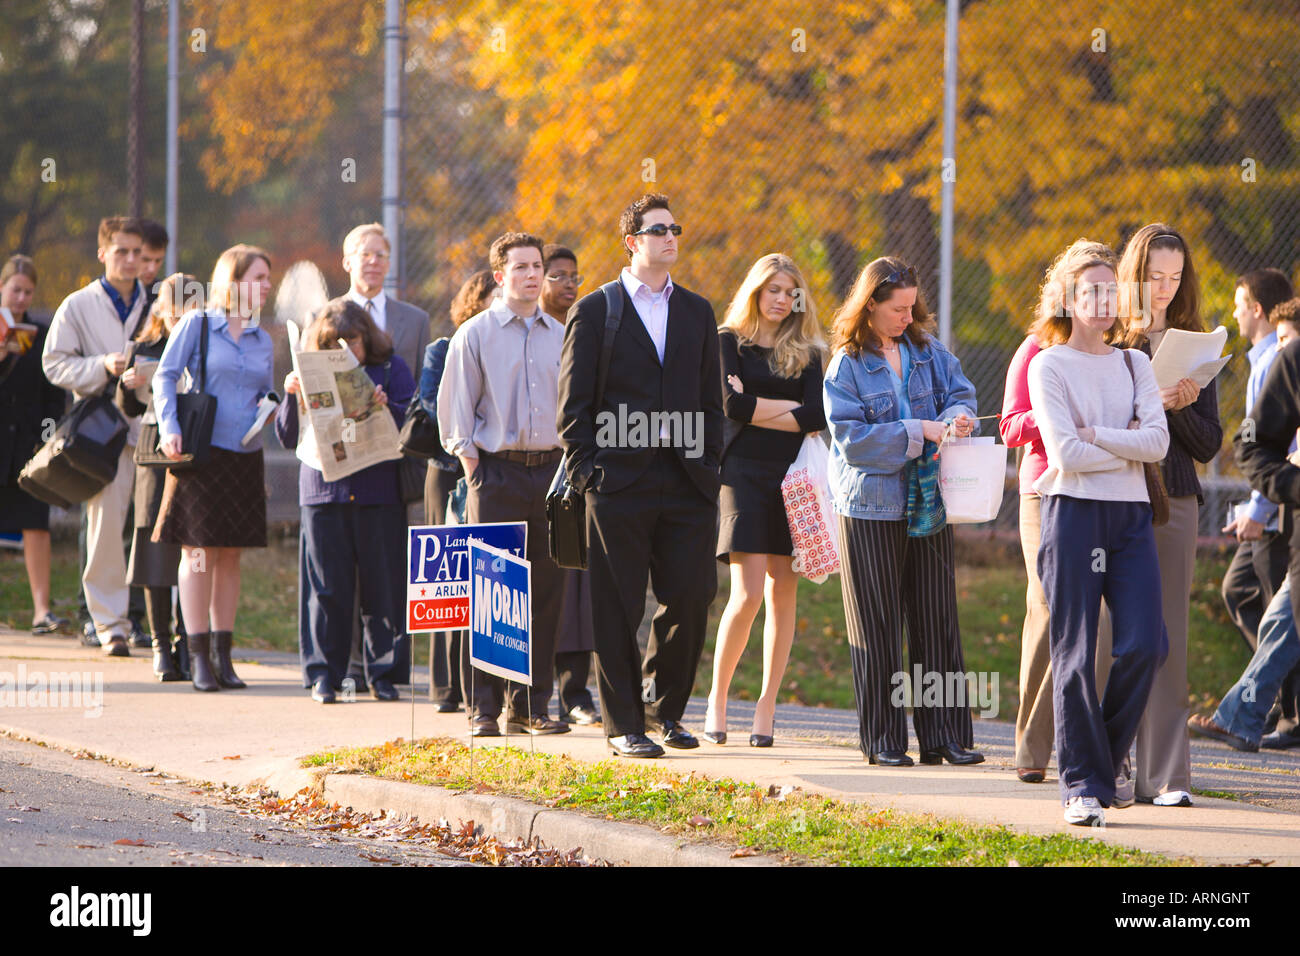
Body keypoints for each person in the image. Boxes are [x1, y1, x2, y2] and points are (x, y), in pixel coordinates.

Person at [557, 193, 723, 758]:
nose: (670, 237)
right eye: (658, 230)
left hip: (688, 483)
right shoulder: (597, 310)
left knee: (692, 597)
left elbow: (709, 400)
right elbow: (573, 406)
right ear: (632, 242)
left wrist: (709, 467)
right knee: (618, 606)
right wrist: (590, 473)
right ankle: (624, 724)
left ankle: (665, 710)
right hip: (616, 483)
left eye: (675, 228)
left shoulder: (699, 312)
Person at [1028, 238, 1169, 827]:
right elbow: (1063, 452)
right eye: (1095, 291)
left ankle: (1104, 760)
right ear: (1068, 297)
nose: (1108, 301)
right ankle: (1082, 784)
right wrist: (1124, 439)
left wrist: (1102, 437)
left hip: (1130, 517)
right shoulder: (1048, 364)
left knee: (1145, 644)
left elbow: (1157, 443)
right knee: (1076, 651)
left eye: (1115, 290)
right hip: (1073, 513)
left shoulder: (1135, 363)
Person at [823, 256, 982, 768]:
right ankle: (885, 741)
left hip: (927, 500)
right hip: (868, 507)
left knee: (937, 619)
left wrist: (958, 419)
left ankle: (945, 737)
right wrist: (920, 433)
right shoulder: (845, 364)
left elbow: (962, 395)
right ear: (869, 305)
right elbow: (852, 442)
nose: (907, 318)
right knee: (877, 625)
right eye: (897, 308)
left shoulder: (929, 350)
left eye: (913, 307)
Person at [1106, 224, 1221, 809]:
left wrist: (1175, 405)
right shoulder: (1107, 340)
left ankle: (1168, 775)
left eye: (1175, 279)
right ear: (1133, 275)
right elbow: (1104, 427)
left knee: (1168, 634)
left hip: (1175, 501)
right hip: (1118, 500)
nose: (1165, 290)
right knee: (1118, 638)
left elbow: (1207, 444)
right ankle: (1113, 765)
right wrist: (1153, 400)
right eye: (1155, 278)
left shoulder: (1194, 343)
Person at [438, 232, 569, 736]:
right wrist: (476, 469)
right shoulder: (474, 335)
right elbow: (455, 413)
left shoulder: (561, 334)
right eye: (521, 267)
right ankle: (484, 708)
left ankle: (532, 705)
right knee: (492, 590)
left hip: (551, 473)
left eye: (538, 266)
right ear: (500, 276)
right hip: (495, 473)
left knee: (545, 591)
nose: (533, 275)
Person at [705, 253, 826, 747]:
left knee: (782, 592)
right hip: (742, 473)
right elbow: (729, 406)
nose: (781, 299)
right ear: (755, 291)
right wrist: (790, 408)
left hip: (794, 476)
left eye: (789, 291)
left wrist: (760, 408)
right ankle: (716, 699)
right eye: (772, 289)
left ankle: (766, 705)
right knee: (748, 594)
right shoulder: (726, 341)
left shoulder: (812, 350)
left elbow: (818, 416)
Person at [276, 299, 413, 703]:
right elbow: (286, 437)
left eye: (351, 341)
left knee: (382, 586)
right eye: (333, 342)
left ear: (366, 339)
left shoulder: (390, 369)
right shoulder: (308, 376)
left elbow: (412, 425)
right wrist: (290, 396)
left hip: (377, 492)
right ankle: (323, 675)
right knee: (326, 587)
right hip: (323, 492)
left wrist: (388, 410)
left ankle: (383, 674)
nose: (344, 350)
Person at [153, 244, 275, 692]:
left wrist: (273, 405)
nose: (266, 286)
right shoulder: (199, 322)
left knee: (230, 553)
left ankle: (225, 658)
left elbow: (263, 392)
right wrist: (169, 427)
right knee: (198, 553)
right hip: (201, 451)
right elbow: (165, 374)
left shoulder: (264, 339)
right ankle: (198, 655)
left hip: (246, 455)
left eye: (267, 278)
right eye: (258, 276)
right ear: (233, 280)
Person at [42, 217, 148, 657]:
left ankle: (151, 620)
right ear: (102, 253)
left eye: (136, 253)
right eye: (120, 251)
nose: (129, 260)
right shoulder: (77, 305)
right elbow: (54, 364)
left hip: (156, 431)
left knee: (152, 532)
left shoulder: (159, 303)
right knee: (104, 530)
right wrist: (102, 365)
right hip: (103, 433)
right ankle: (108, 623)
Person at [340, 222, 436, 690]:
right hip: (340, 463)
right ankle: (350, 665)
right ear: (348, 261)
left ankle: (389, 667)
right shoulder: (327, 316)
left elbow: (419, 391)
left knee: (391, 566)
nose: (374, 261)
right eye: (365, 253)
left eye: (381, 254)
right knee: (345, 569)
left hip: (394, 464)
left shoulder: (413, 321)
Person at [420, 270, 495, 713]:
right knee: (448, 583)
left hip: (494, 475)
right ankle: (446, 687)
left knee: (485, 582)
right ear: (473, 301)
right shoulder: (444, 348)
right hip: (449, 472)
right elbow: (435, 405)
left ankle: (480, 686)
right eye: (492, 296)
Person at [116, 273, 196, 681]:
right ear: (160, 308)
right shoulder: (145, 347)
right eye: (172, 303)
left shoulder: (204, 343)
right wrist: (128, 385)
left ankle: (188, 642)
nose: (179, 312)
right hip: (153, 447)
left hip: (195, 445)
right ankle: (161, 644)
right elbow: (129, 408)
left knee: (192, 545)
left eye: (188, 303)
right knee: (154, 542)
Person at [541, 244, 601, 726]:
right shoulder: (524, 331)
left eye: (573, 276)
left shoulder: (589, 327)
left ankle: (576, 692)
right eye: (556, 274)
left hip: (574, 468)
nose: (568, 283)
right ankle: (527, 694)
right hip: (525, 467)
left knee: (577, 580)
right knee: (537, 585)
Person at [1222, 270, 1294, 656]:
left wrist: (1260, 509)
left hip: (1275, 509)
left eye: (1239, 306)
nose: (1235, 315)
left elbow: (1276, 445)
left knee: (1272, 610)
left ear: (1257, 309)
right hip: (1266, 506)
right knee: (1241, 592)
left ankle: (1275, 705)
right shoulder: (1265, 360)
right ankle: (1265, 700)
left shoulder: (1271, 363)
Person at [0, 255, 69, 635]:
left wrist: (47, 439)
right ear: (2, 287)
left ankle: (42, 610)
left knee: (35, 524)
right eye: (16, 290)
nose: (22, 298)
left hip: (28, 448)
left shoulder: (42, 336)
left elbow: (53, 398)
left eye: (28, 292)